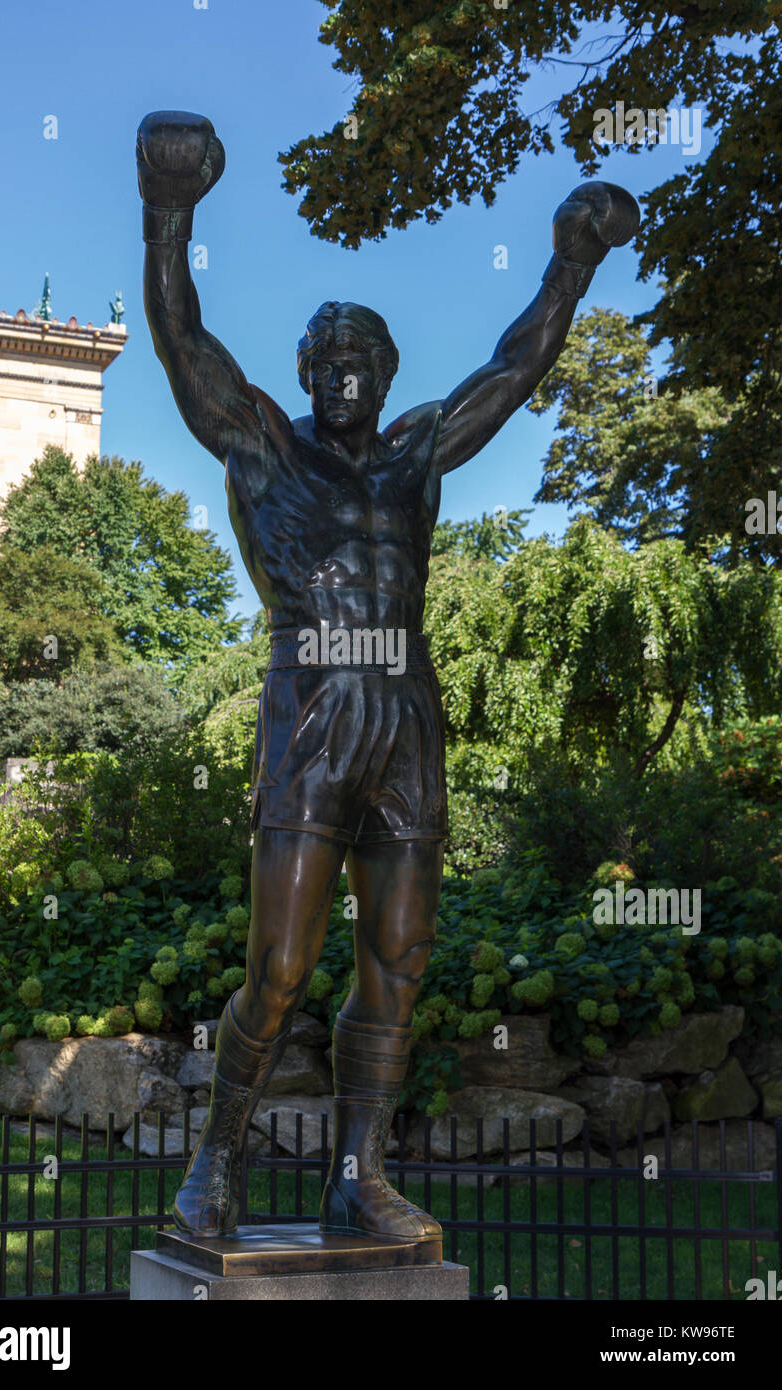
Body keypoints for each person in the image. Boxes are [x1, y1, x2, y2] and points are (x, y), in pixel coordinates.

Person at [136, 110, 639, 1241]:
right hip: (310, 694)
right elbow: (183, 344)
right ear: (305, 368)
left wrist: (568, 259)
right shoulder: (264, 442)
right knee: (279, 962)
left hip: (404, 706)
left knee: (400, 955)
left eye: (361, 353)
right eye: (326, 353)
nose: (343, 367)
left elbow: (515, 366)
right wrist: (168, 212)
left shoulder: (417, 449)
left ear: (385, 369)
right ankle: (215, 1165)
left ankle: (357, 1175)